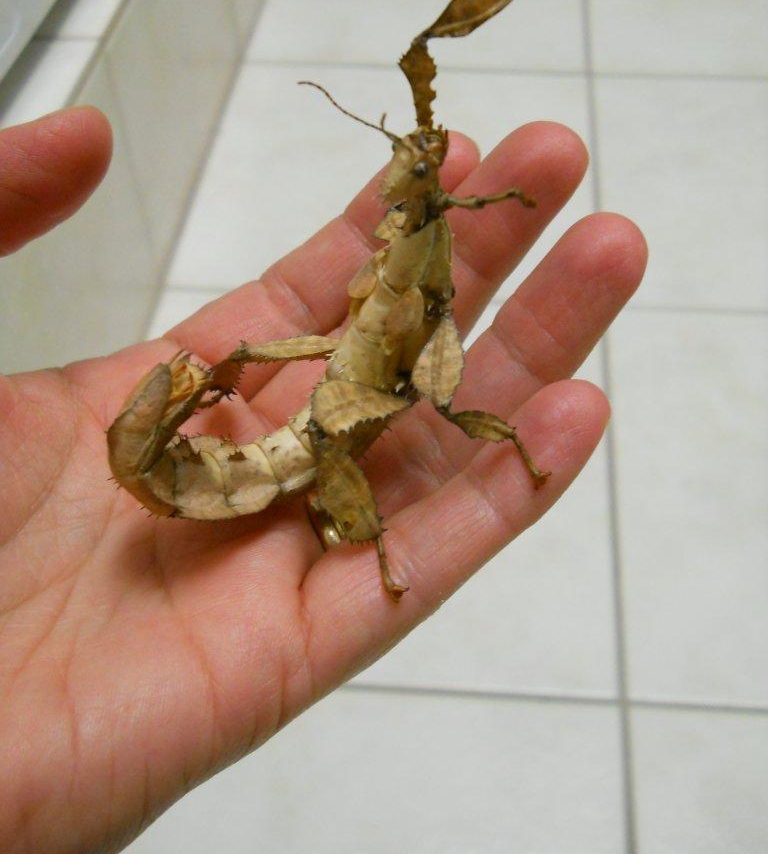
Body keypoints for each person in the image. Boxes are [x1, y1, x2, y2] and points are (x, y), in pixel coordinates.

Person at [0, 106, 646, 853]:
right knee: (378, 412)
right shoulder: (402, 282)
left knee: (389, 410)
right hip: (303, 434)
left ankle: (365, 521)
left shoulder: (409, 281)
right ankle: (361, 525)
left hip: (323, 420)